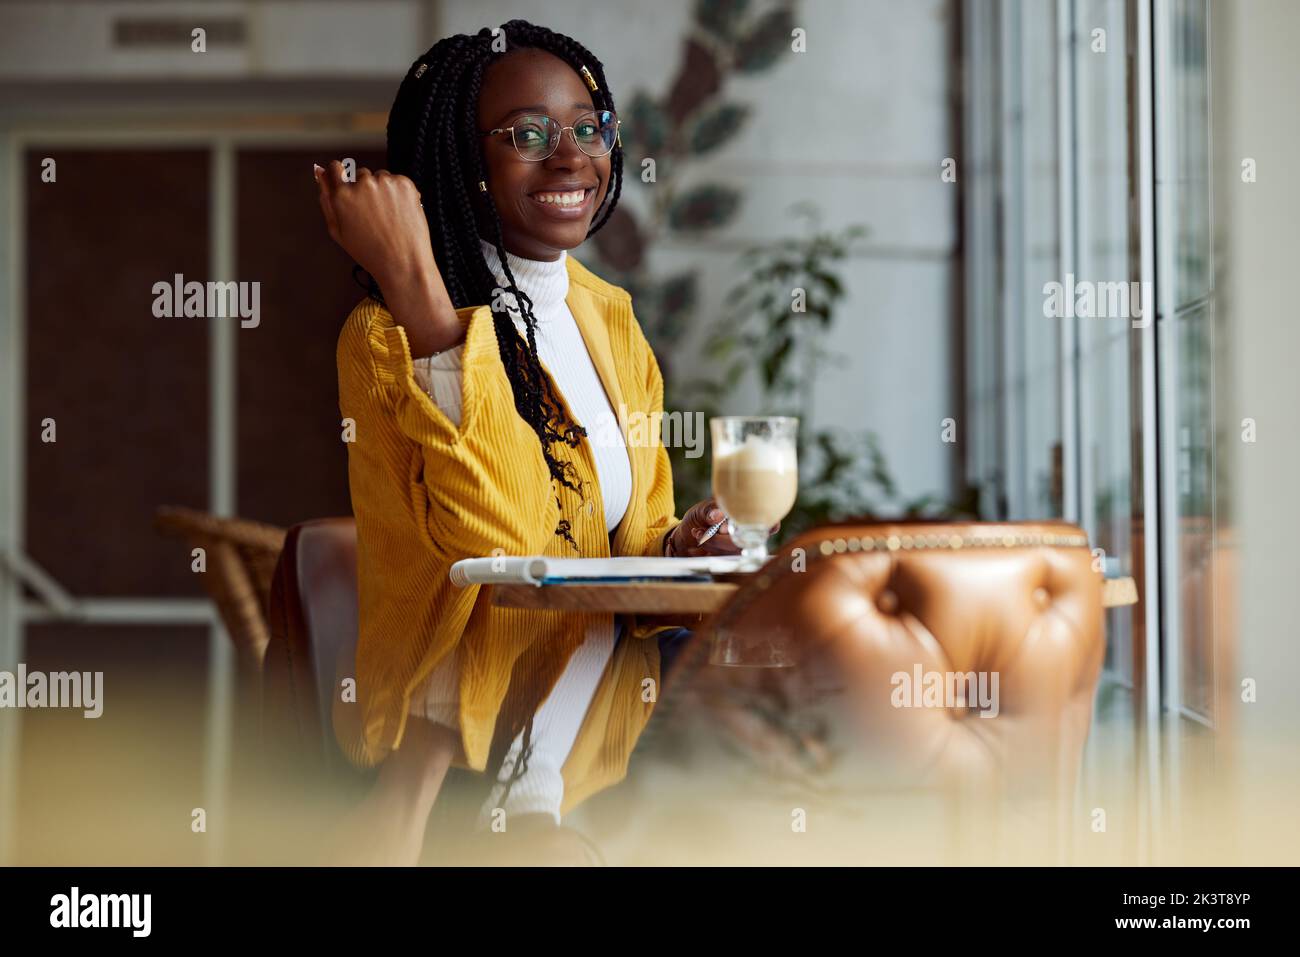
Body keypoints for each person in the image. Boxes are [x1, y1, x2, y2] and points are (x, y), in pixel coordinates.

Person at [315, 19, 772, 865]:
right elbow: (498, 542)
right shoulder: (391, 336)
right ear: (463, 158)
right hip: (460, 775)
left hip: (580, 766)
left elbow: (618, 555)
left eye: (587, 127)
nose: (570, 158)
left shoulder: (610, 322)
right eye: (527, 135)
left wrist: (675, 546)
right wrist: (417, 286)